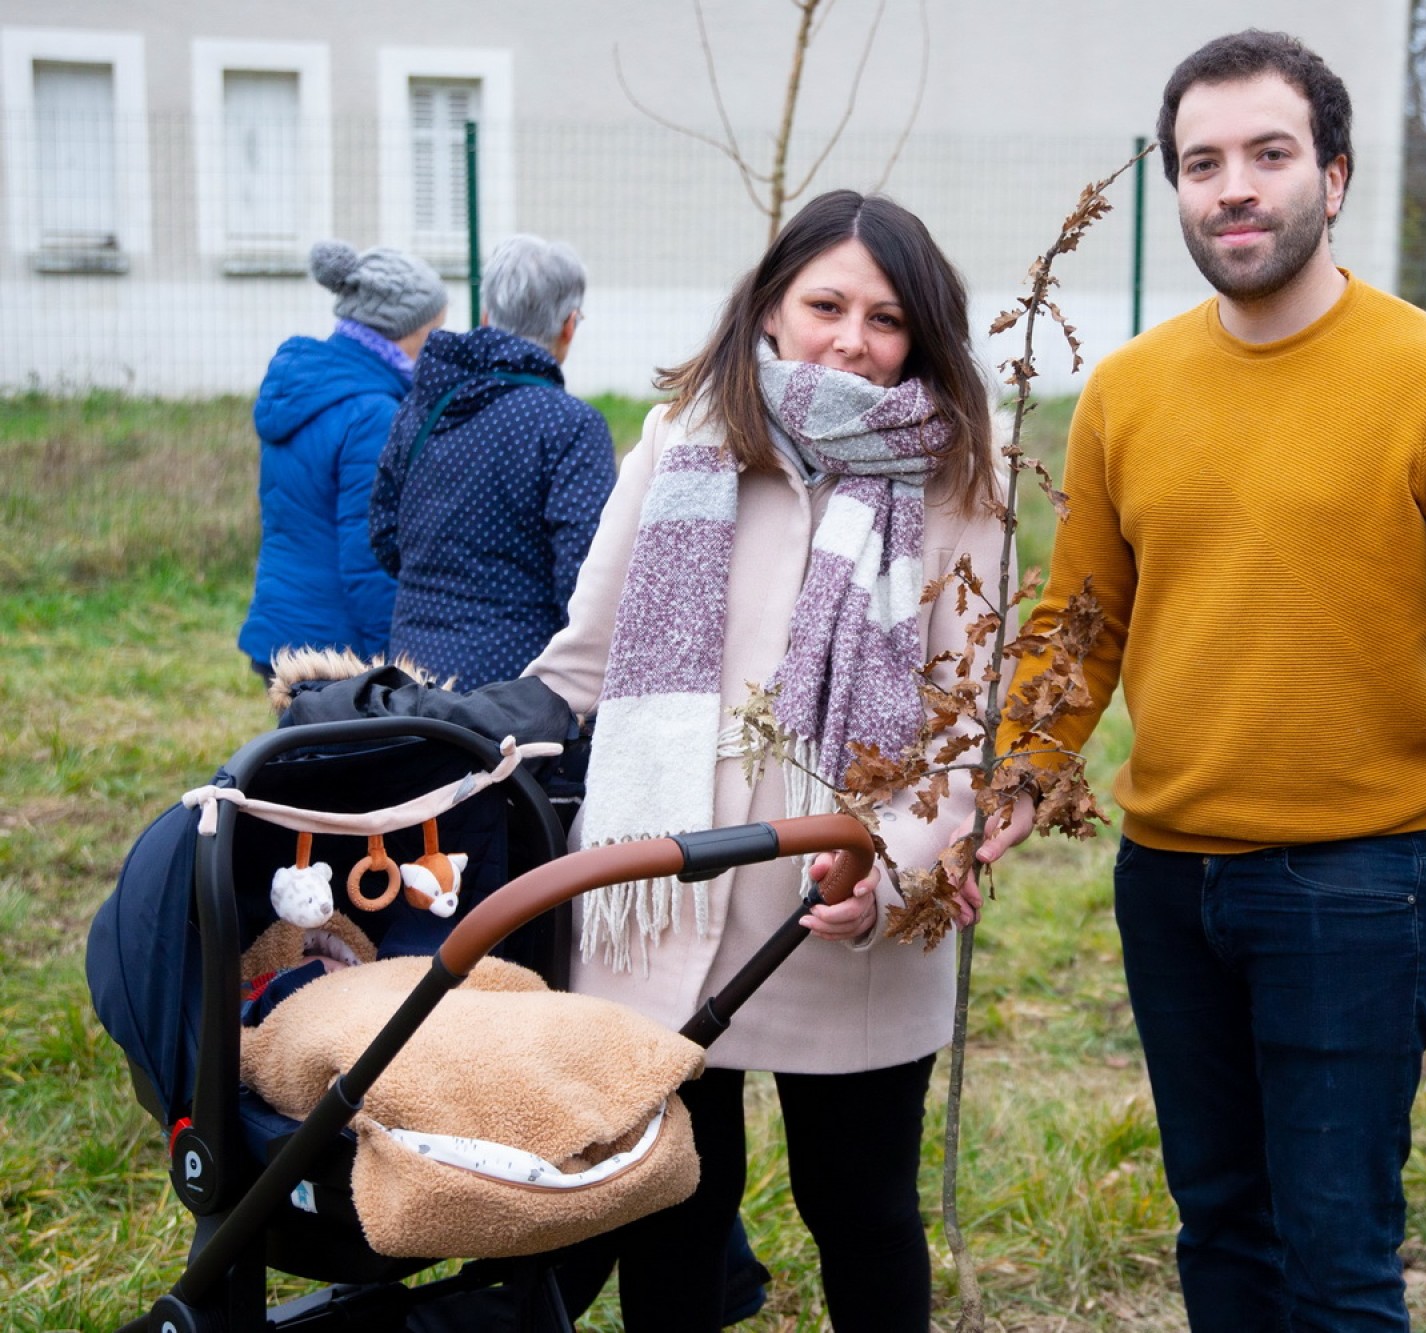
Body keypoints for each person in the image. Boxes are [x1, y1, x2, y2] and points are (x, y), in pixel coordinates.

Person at [963, 31, 1426, 1332]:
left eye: (1267, 153)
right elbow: (1077, 625)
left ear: (1335, 170)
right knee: (1220, 1231)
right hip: (1168, 877)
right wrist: (1016, 774)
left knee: (1337, 1261)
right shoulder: (1128, 393)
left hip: (1358, 880)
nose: (1234, 187)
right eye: (1202, 164)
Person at [526, 189, 1000, 1331]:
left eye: (885, 318)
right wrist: (454, 747)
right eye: (825, 303)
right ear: (771, 309)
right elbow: (581, 660)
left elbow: (959, 720)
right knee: (673, 1202)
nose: (851, 338)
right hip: (665, 901)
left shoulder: (956, 482)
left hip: (840, 912)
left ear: (921, 334)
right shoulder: (681, 442)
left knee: (860, 1207)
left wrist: (892, 872)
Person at [370, 233, 616, 690]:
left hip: (411, 676)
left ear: (486, 317)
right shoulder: (572, 426)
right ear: (569, 325)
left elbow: (386, 536)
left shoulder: (423, 407)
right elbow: (585, 577)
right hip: (516, 688)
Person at [238, 240, 447, 679]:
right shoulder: (373, 413)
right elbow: (368, 554)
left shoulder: (309, 387)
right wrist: (392, 665)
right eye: (435, 330)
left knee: (297, 747)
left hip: (285, 622)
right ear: (405, 330)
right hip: (335, 648)